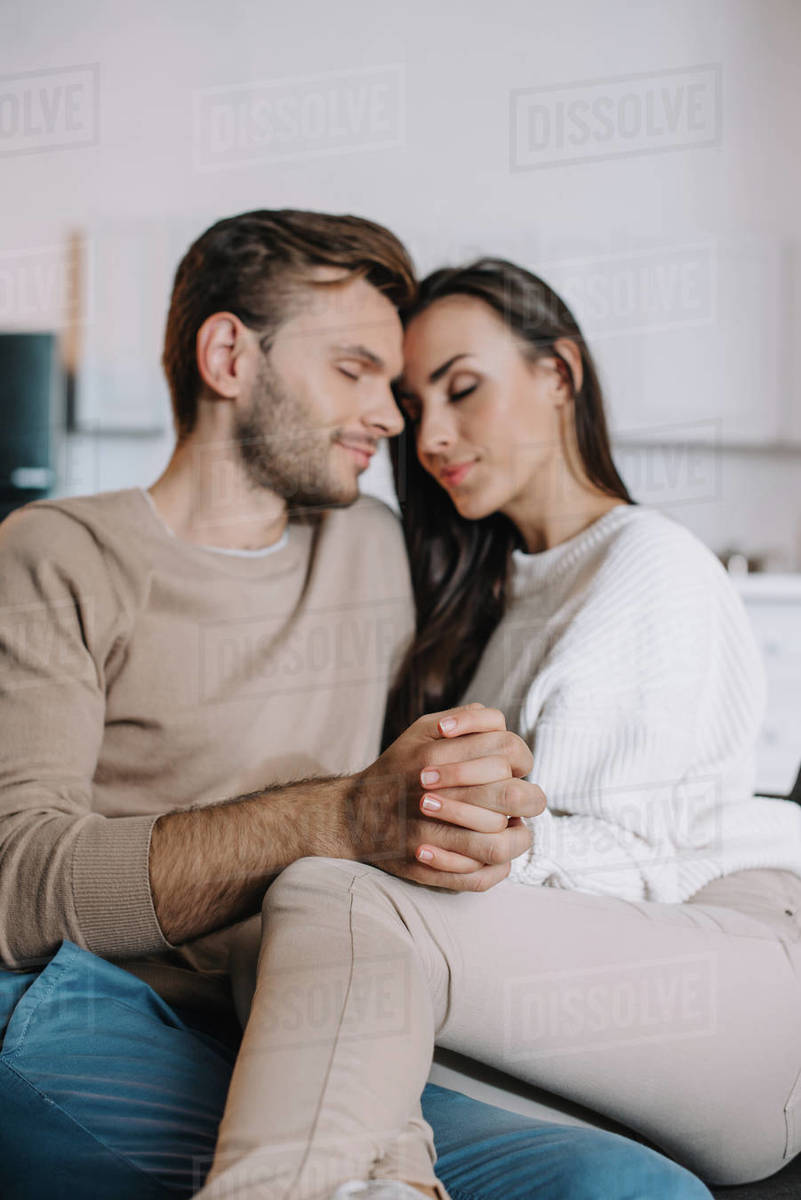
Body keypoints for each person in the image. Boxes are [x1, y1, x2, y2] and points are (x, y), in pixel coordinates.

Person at [0, 212, 702, 1200]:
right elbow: (14, 883)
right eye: (356, 371)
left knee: (636, 1189)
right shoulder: (56, 553)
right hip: (100, 1000)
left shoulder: (372, 544)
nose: (395, 415)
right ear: (229, 354)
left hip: (309, 1002)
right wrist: (339, 817)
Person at [199, 258, 801, 1200]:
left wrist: (403, 842)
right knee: (283, 950)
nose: (430, 434)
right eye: (412, 401)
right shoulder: (499, 594)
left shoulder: (650, 564)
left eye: (462, 389)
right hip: (604, 1007)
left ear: (557, 375)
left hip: (736, 985)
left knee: (332, 894)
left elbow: (634, 856)